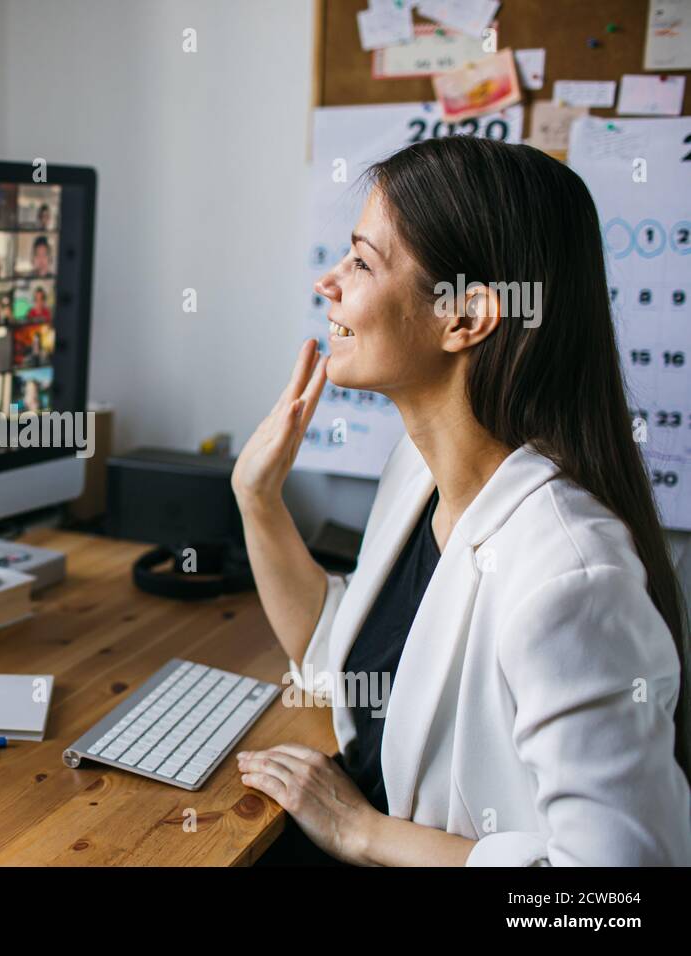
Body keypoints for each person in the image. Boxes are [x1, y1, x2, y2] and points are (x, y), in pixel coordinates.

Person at [231, 136, 691, 866]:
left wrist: (362, 832)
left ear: (466, 318)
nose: (331, 281)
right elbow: (339, 659)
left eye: (361, 261)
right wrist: (257, 499)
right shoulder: (416, 475)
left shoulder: (571, 579)